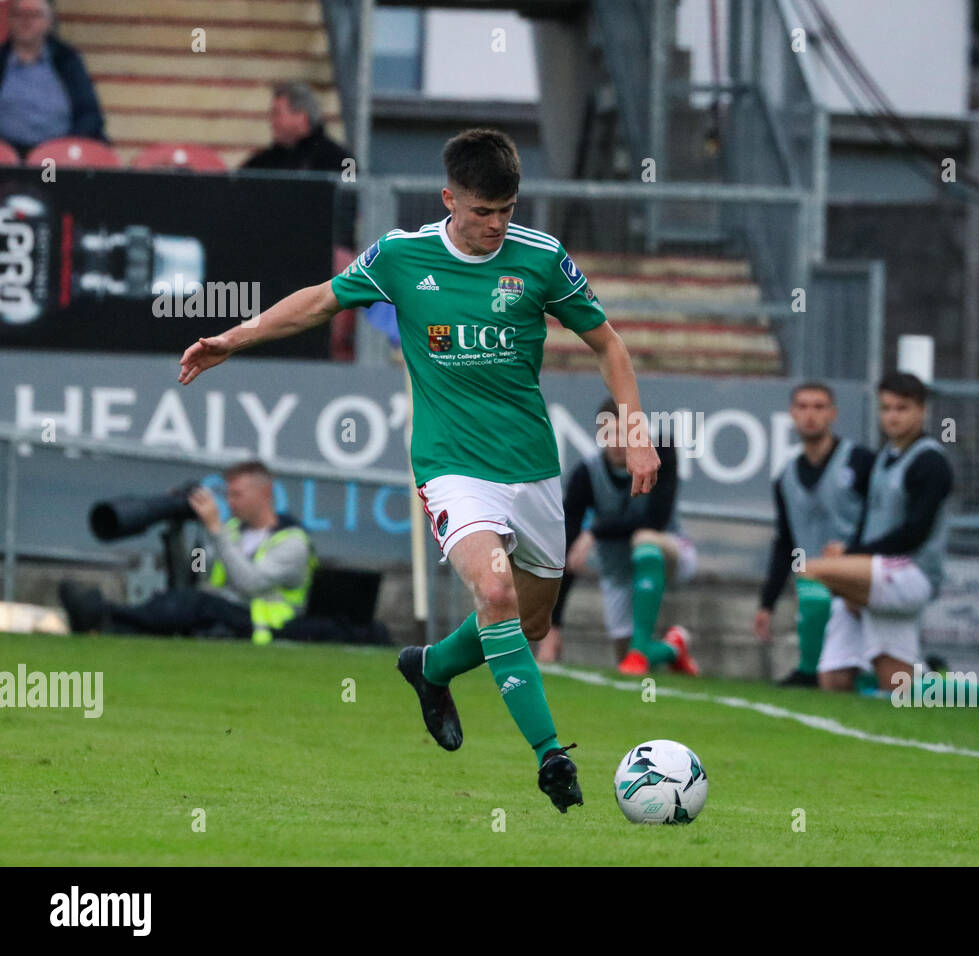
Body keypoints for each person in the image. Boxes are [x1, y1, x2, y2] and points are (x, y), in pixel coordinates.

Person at [178, 128, 659, 813]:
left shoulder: (542, 258)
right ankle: (550, 755)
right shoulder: (403, 257)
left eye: (506, 210)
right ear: (448, 199)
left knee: (529, 624)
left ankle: (430, 669)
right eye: (480, 211)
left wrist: (634, 427)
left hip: (531, 466)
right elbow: (319, 300)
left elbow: (607, 343)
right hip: (451, 465)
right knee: (493, 595)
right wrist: (234, 337)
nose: (494, 226)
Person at [798, 373, 953, 693]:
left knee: (809, 568)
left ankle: (957, 688)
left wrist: (852, 559)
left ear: (922, 411)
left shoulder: (931, 461)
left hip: (911, 573)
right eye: (886, 408)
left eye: (902, 408)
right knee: (838, 678)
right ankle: (932, 682)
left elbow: (914, 533)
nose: (892, 416)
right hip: (879, 574)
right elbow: (869, 523)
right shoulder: (883, 458)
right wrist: (850, 558)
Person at [58, 461, 315, 644]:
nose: (231, 501)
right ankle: (106, 626)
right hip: (219, 612)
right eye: (228, 494)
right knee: (183, 602)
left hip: (264, 622)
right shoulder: (234, 529)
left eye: (238, 494)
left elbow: (250, 584)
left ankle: (104, 612)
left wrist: (215, 530)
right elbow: (199, 572)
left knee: (193, 603)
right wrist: (187, 531)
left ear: (265, 494)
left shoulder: (292, 541)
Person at [544, 397, 699, 675]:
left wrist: (595, 530)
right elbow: (567, 546)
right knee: (625, 661)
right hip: (618, 570)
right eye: (609, 433)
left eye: (624, 432)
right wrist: (553, 625)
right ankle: (672, 648)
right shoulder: (586, 474)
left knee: (645, 540)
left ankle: (642, 652)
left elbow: (655, 520)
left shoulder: (660, 453)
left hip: (670, 552)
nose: (616, 441)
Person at [755, 382, 872, 687]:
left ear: (832, 414)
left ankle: (809, 671)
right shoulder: (786, 477)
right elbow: (785, 542)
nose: (811, 415)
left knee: (893, 679)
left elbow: (878, 519)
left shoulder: (860, 462)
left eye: (819, 407)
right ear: (792, 413)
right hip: (816, 586)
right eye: (803, 407)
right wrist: (767, 603)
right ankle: (810, 670)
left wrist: (853, 551)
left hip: (860, 581)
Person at [0, 0, 106, 157]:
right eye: (19, 15)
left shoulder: (68, 60)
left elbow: (90, 115)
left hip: (60, 157)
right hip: (6, 160)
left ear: (49, 21)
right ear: (9, 20)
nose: (26, 21)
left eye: (35, 15)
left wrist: (64, 145)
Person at [241, 82, 348, 172]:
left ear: (301, 117)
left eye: (277, 114)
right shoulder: (263, 163)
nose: (272, 122)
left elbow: (353, 194)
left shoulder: (342, 161)